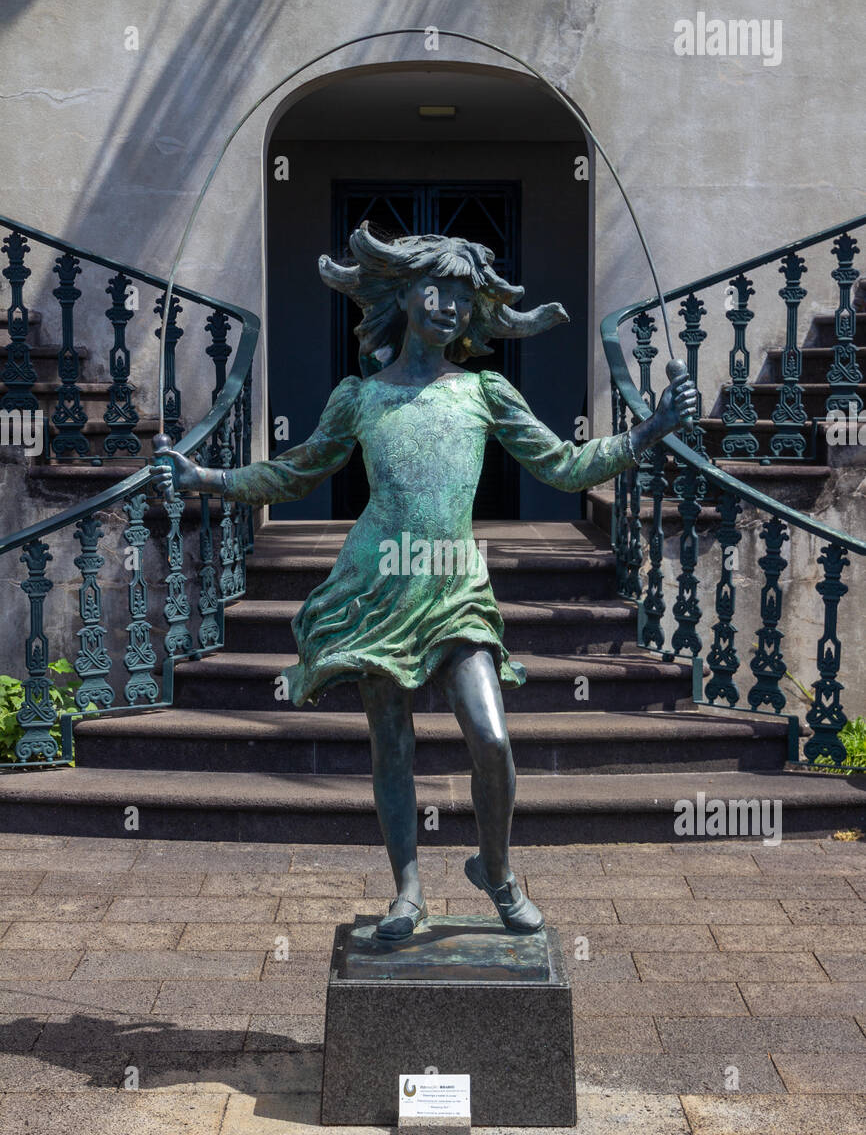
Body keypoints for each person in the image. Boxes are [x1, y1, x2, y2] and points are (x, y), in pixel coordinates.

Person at [155, 224, 698, 942]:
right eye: (434, 288)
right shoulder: (360, 396)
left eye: (463, 294)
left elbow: (563, 466)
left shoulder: (483, 391)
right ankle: (406, 889)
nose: (447, 304)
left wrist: (647, 432)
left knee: (492, 738)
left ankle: (496, 872)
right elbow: (295, 471)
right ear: (404, 293)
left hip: (455, 589)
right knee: (392, 744)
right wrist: (210, 478)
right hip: (377, 584)